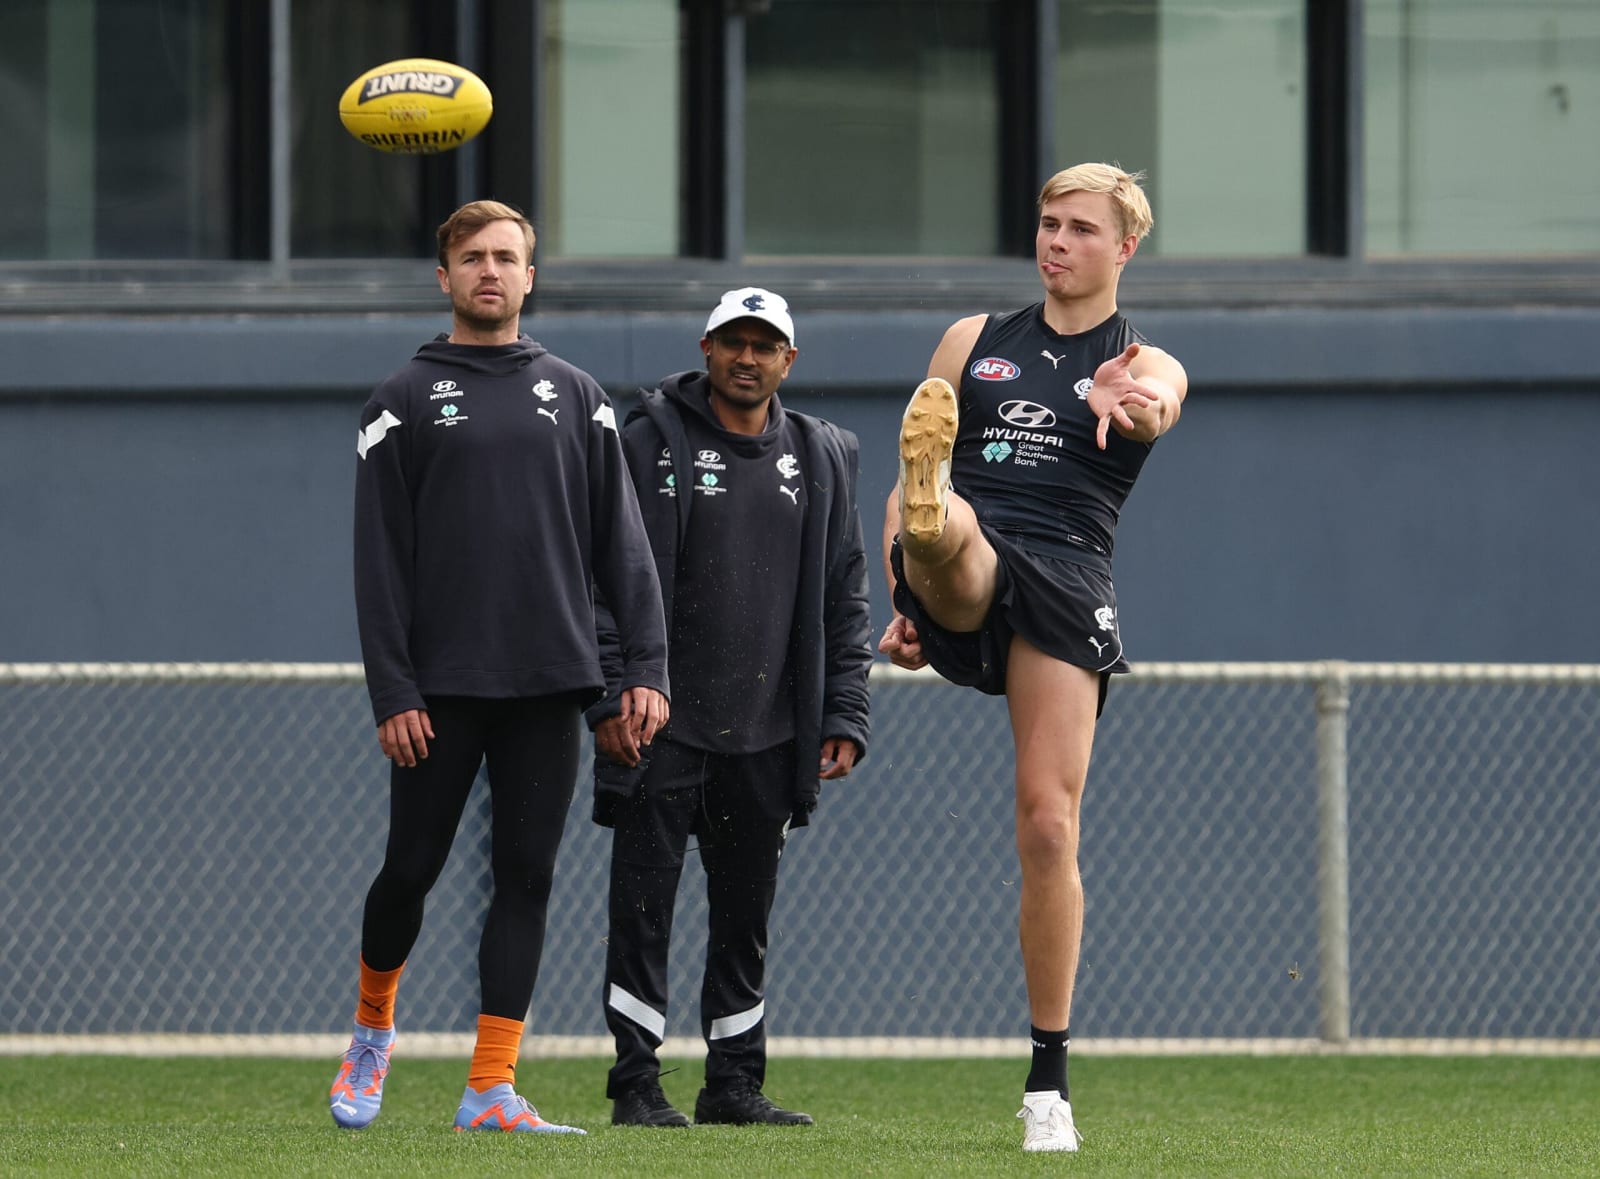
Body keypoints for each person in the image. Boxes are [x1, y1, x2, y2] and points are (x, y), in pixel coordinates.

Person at [333, 199, 670, 1135]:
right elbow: (377, 562)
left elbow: (623, 547)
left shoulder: (578, 393)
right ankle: (371, 1031)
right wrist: (393, 688)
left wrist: (644, 666)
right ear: (444, 277)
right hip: (438, 690)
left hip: (549, 682)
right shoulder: (399, 401)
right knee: (410, 868)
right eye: (473, 257)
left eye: (507, 256)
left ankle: (490, 1086)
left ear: (531, 276)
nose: (491, 270)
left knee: (526, 879)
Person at [878, 164, 1188, 1153]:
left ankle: (1047, 1083)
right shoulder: (973, 341)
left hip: (1066, 575)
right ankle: (932, 539)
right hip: (975, 549)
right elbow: (896, 477)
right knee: (951, 527)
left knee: (1049, 829)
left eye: (1080, 228)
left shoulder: (1149, 362)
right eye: (1049, 224)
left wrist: (1130, 404)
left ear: (1123, 247)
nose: (1056, 241)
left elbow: (1157, 409)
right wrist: (902, 593)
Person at [587, 287, 872, 1128]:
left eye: (765, 344)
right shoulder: (649, 440)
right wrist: (610, 690)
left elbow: (846, 594)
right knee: (642, 912)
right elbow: (601, 574)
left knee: (745, 919)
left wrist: (844, 713)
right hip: (659, 723)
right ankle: (636, 1083)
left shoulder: (822, 454)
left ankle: (733, 1085)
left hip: (769, 731)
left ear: (790, 359)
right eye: (733, 341)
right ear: (706, 347)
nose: (748, 357)